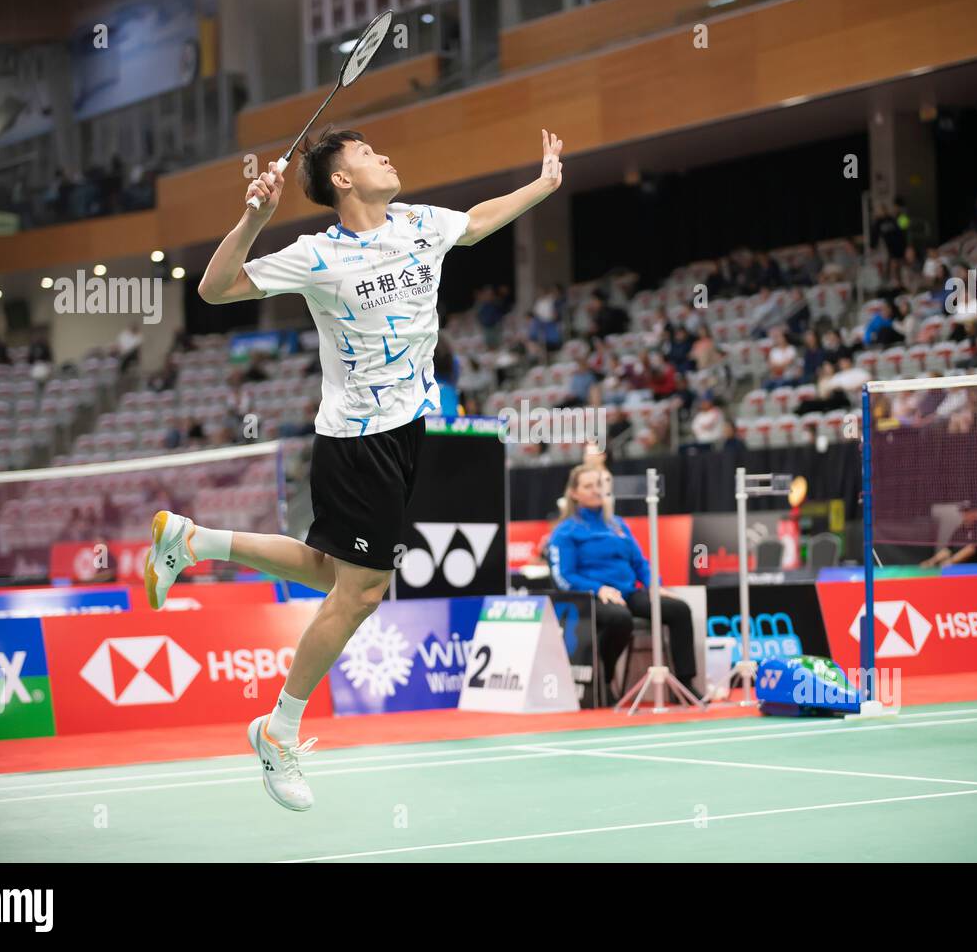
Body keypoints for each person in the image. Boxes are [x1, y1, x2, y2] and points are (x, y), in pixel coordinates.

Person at [146, 125, 565, 811]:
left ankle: (193, 542)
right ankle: (277, 730)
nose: (385, 156)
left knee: (331, 573)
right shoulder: (317, 255)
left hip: (407, 431)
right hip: (357, 439)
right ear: (342, 180)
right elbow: (217, 287)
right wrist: (254, 218)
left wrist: (543, 185)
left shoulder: (420, 225)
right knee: (364, 593)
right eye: (369, 154)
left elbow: (479, 224)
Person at [547, 465, 700, 703]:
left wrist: (653, 584)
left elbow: (640, 562)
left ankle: (685, 684)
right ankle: (604, 680)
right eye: (588, 486)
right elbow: (564, 577)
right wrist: (598, 589)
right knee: (620, 618)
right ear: (574, 493)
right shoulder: (565, 531)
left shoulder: (617, 524)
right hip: (591, 597)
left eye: (599, 485)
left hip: (628, 592)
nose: (596, 490)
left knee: (678, 609)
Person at [920, 501, 977, 567]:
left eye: (968, 511)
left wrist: (951, 561)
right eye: (963, 511)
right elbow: (948, 550)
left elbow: (971, 549)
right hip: (958, 569)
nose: (965, 514)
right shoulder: (959, 530)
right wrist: (932, 561)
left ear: (976, 512)